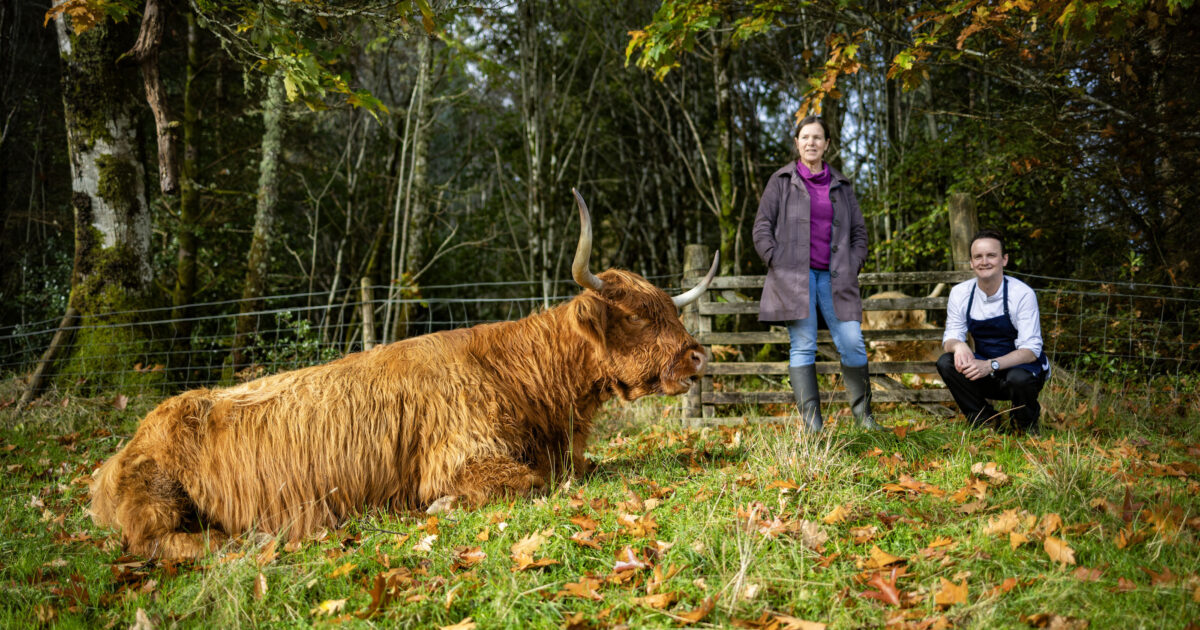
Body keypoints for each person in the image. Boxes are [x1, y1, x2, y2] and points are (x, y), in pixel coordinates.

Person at [753, 115, 880, 433]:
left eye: (818, 137)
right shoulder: (781, 180)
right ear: (796, 142)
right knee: (804, 344)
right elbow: (761, 228)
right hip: (795, 278)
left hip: (837, 277)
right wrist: (776, 261)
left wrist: (854, 263)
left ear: (827, 144)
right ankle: (813, 426)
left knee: (852, 342)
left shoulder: (841, 185)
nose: (811, 142)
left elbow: (859, 233)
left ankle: (864, 418)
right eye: (805, 137)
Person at [936, 229, 1050, 434]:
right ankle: (985, 420)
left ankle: (1025, 426)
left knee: (1019, 378)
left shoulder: (1022, 294)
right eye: (978, 256)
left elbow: (1031, 350)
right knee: (946, 362)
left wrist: (990, 365)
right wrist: (959, 345)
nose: (984, 261)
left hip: (1021, 369)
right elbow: (950, 337)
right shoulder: (960, 293)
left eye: (991, 255)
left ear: (1004, 259)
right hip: (983, 366)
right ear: (971, 262)